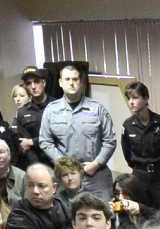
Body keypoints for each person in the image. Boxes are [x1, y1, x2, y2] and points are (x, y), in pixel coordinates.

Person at [38, 66, 118, 200]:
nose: (71, 83)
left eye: (75, 79)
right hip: (67, 177)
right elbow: (45, 141)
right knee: (69, 216)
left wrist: (96, 164)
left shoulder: (97, 109)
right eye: (67, 79)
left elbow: (110, 140)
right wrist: (63, 164)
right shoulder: (51, 110)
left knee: (103, 214)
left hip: (96, 175)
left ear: (80, 82)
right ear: (60, 83)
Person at [119, 82, 160, 214]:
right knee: (141, 216)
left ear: (146, 98)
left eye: (135, 98)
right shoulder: (128, 126)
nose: (131, 102)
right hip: (139, 178)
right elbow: (128, 155)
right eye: (129, 98)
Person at [14, 67, 50, 166]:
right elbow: (24, 144)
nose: (33, 86)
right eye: (29, 83)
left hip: (58, 162)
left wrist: (32, 142)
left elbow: (60, 136)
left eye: (36, 81)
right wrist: (37, 167)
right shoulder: (22, 112)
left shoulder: (57, 106)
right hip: (36, 164)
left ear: (44, 83)